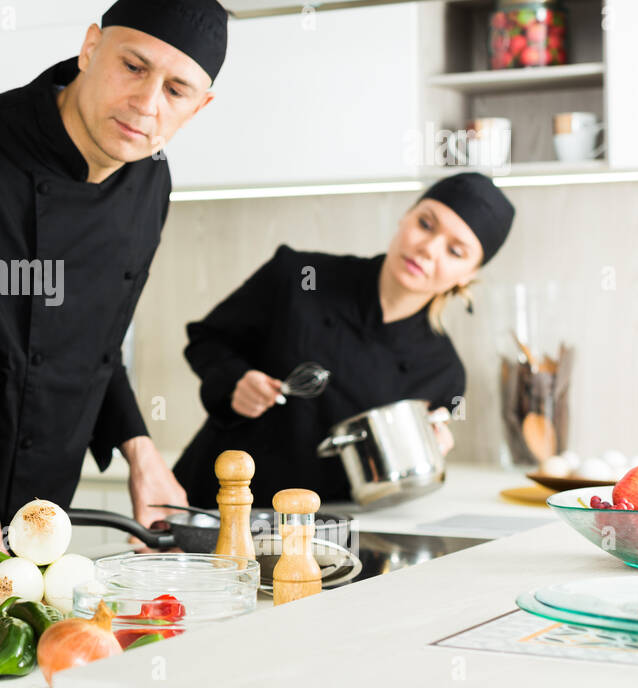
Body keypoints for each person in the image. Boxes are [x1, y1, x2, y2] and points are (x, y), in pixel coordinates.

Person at [0, 0, 228, 569]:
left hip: (41, 522)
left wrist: (140, 452)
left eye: (177, 90)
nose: (147, 104)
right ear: (91, 47)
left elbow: (94, 344)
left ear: (200, 108)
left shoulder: (151, 184)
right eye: (133, 66)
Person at [174, 172, 516, 507]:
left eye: (455, 251)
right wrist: (236, 381)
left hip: (328, 531)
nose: (428, 248)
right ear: (405, 217)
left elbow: (389, 482)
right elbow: (206, 339)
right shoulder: (299, 278)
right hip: (215, 504)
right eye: (425, 224)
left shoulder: (443, 372)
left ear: (469, 275)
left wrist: (425, 448)